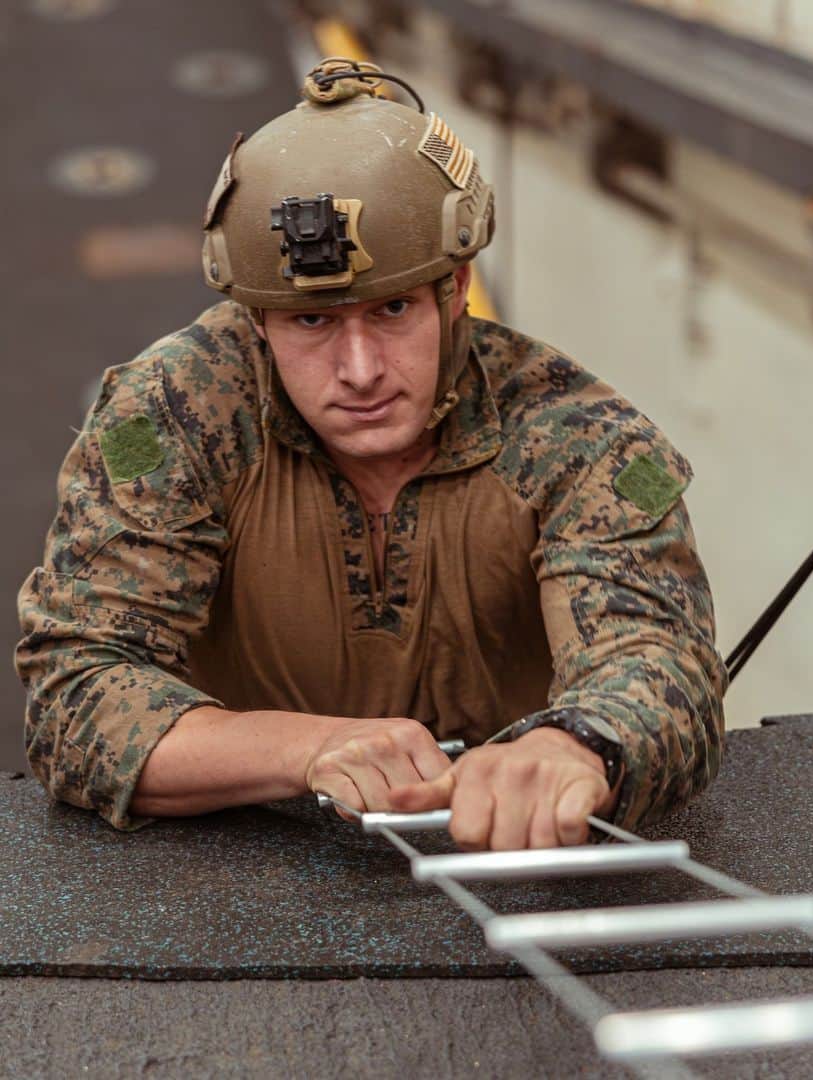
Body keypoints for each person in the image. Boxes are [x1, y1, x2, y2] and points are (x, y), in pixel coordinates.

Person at [15, 60, 724, 850]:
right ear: (256, 321)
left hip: (515, 852)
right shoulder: (180, 412)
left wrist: (576, 746)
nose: (359, 371)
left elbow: (662, 666)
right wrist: (309, 750)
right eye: (311, 324)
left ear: (455, 291)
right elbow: (76, 693)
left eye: (391, 310)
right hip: (242, 869)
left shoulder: (576, 437)